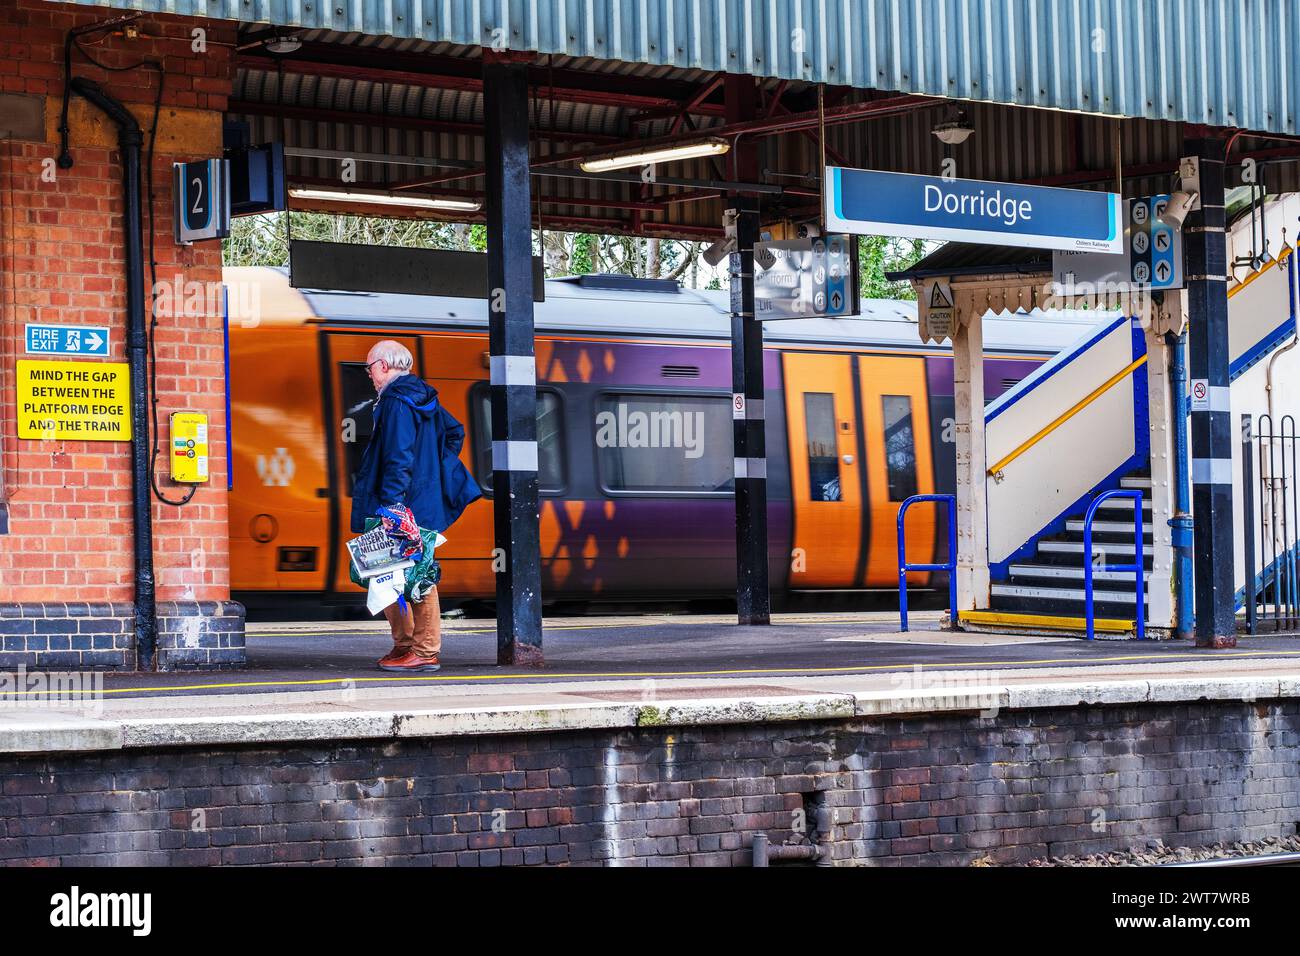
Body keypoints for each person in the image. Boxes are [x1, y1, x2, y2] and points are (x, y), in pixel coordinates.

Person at [350, 340, 480, 672]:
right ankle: (404, 643)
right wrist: (432, 472)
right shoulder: (422, 397)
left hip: (402, 506)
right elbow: (455, 432)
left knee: (417, 575)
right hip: (416, 500)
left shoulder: (395, 402)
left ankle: (424, 651)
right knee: (383, 570)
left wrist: (394, 504)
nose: (369, 376)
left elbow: (398, 457)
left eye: (370, 369)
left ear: (382, 366)